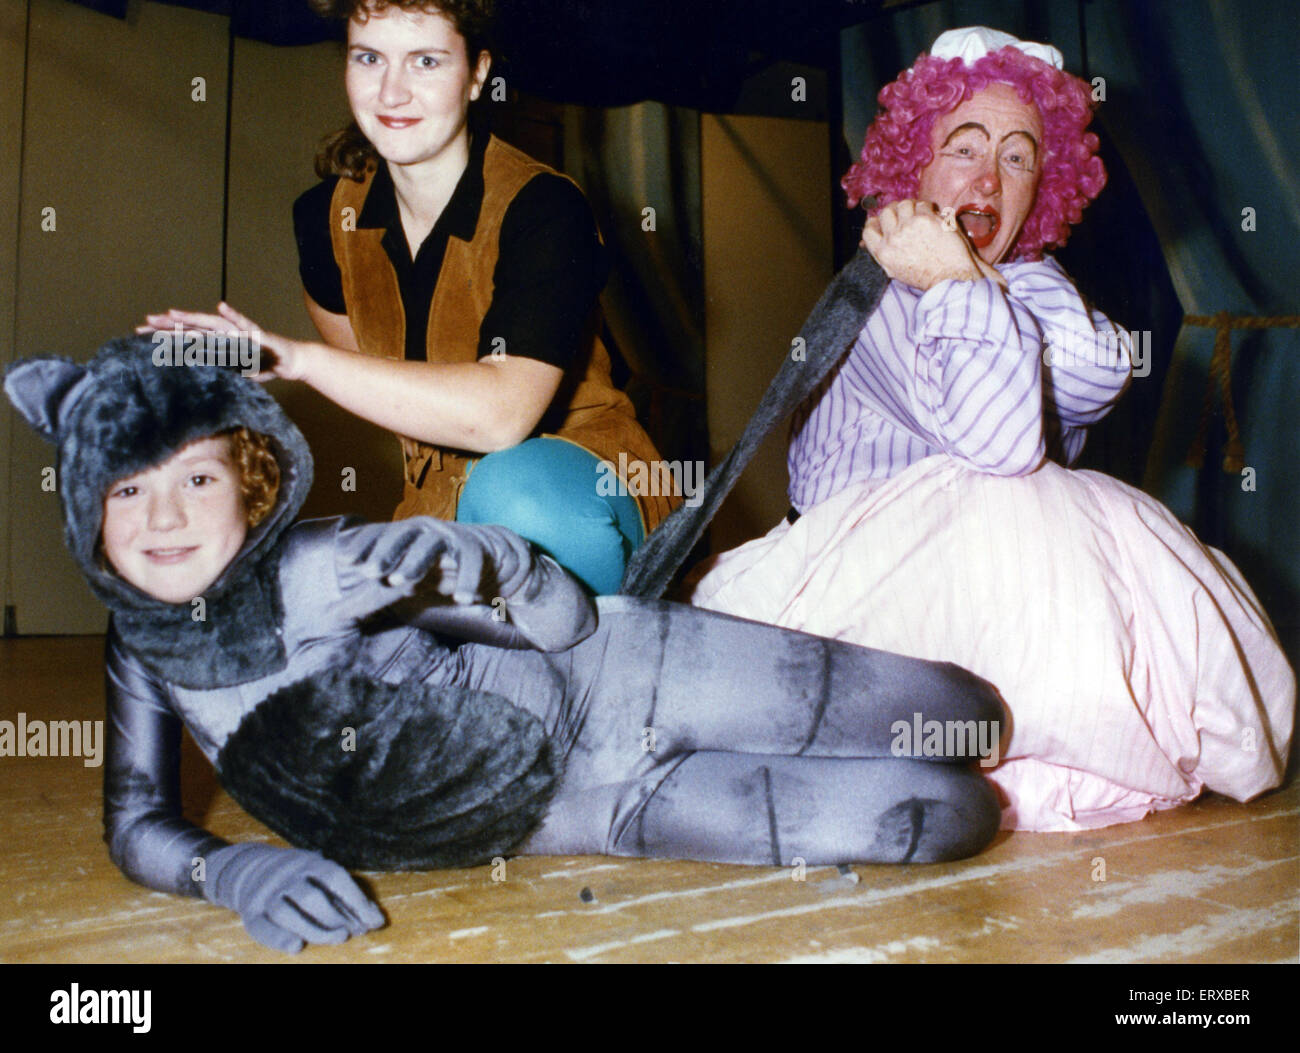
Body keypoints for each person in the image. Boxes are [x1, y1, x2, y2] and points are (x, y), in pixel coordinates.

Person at [5, 335, 1006, 953]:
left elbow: (565, 625)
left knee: (962, 719)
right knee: (947, 816)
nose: (162, 518)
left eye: (195, 480)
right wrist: (227, 873)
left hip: (622, 679)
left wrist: (496, 563)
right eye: (127, 488)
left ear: (253, 484)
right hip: (595, 811)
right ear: (89, 516)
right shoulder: (140, 644)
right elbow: (136, 822)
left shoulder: (329, 566)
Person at [687, 27, 1295, 832]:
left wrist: (969, 275)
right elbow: (1001, 442)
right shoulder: (882, 297)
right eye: (964, 148)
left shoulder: (1034, 282)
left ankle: (1031, 755)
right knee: (1016, 495)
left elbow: (1091, 375)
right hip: (852, 584)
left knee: (1079, 508)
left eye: (1018, 157)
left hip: (1004, 604)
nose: (990, 176)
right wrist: (949, 278)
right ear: (915, 167)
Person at [143, 0, 677, 595]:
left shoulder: (544, 208)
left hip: (582, 481)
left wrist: (298, 360)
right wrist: (253, 359)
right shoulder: (323, 220)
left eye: (425, 61)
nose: (391, 92)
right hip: (437, 500)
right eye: (369, 58)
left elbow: (501, 418)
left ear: (477, 74)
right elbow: (373, 378)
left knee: (514, 494)